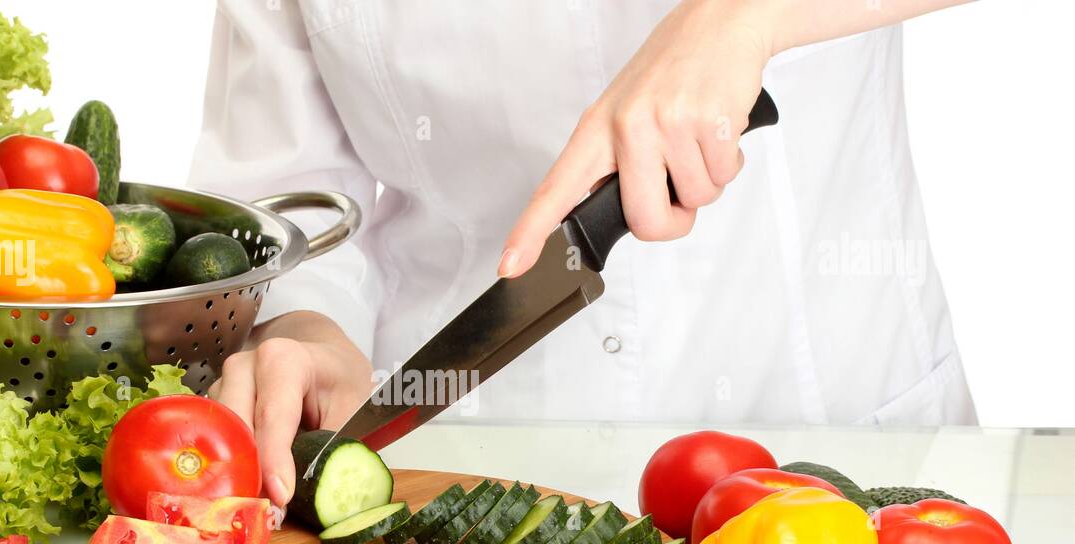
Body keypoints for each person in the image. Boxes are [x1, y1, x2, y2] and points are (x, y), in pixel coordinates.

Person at [190, 0, 976, 510]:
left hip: (831, 452)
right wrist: (310, 323)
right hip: (460, 474)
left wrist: (738, 16)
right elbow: (295, 190)